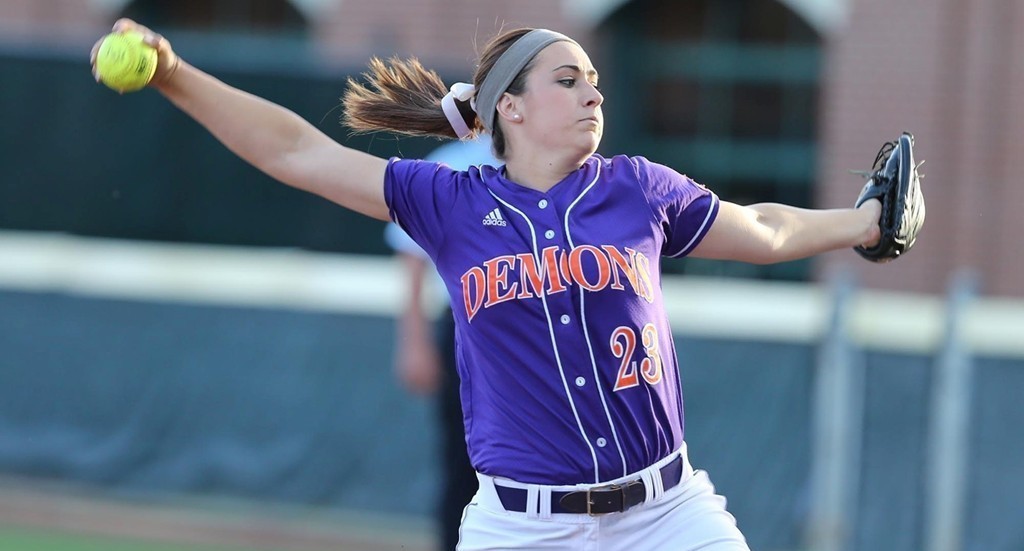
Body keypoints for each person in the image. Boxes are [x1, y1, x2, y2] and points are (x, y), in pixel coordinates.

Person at [91, 20, 883, 550]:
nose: (593, 92)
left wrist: (866, 221)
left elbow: (767, 230)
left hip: (668, 513)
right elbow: (294, 152)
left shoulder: (636, 189)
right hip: (524, 528)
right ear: (510, 105)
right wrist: (173, 72)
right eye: (568, 80)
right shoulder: (451, 201)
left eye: (595, 79)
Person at [385, 136, 500, 551]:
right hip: (467, 329)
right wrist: (413, 342)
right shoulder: (451, 166)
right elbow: (411, 257)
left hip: (540, 331)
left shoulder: (564, 163)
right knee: (464, 463)